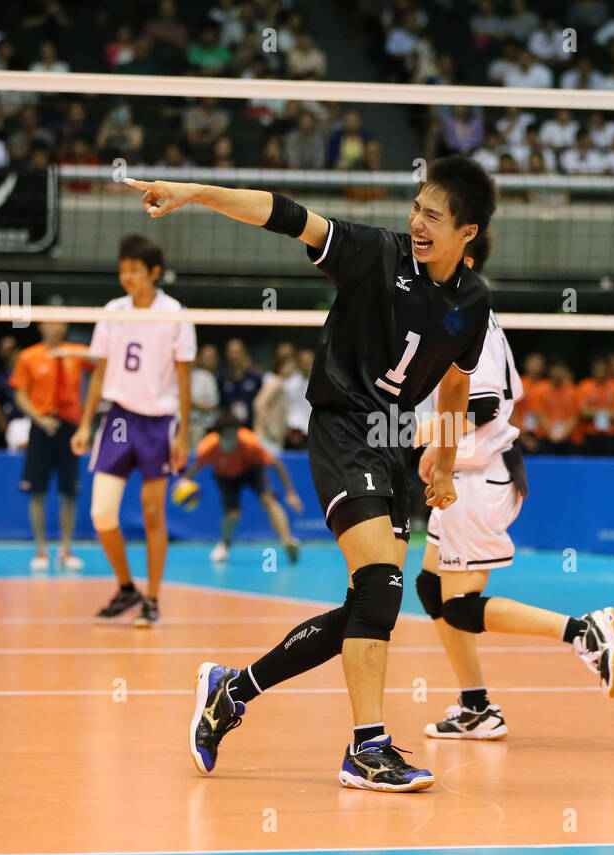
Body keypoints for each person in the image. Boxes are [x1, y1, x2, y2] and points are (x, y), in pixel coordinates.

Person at [127, 153, 495, 792]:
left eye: (433, 216)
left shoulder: (473, 302)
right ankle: (367, 749)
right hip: (341, 428)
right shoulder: (375, 254)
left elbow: (458, 382)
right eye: (416, 208)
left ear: (467, 234)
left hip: (395, 442)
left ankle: (230, 692)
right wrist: (192, 190)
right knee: (381, 583)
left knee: (367, 604)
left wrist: (444, 456)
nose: (417, 222)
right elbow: (282, 212)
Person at [415, 234, 614, 740]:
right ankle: (477, 707)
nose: (417, 248)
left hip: (473, 475)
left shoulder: (467, 314)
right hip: (462, 471)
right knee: (430, 587)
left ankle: (583, 631)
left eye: (431, 238)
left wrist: (430, 441)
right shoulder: (452, 310)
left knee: (460, 606)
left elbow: (481, 404)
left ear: (462, 256)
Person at [71, 235, 195, 628]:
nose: (126, 276)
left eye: (134, 271)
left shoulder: (175, 313)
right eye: (122, 269)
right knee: (101, 513)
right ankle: (127, 588)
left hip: (158, 423)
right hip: (119, 419)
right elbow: (100, 370)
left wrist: (183, 433)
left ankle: (153, 598)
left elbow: (184, 377)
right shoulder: (113, 311)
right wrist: (86, 423)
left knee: (152, 512)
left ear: (154, 272)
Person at [11, 321, 90, 573]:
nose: (55, 327)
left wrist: (74, 353)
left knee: (69, 492)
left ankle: (65, 550)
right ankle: (41, 550)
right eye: (50, 323)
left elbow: (104, 359)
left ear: (65, 326)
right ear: (41, 326)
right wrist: (40, 419)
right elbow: (20, 394)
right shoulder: (29, 356)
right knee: (38, 492)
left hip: (70, 429)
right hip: (41, 427)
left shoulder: (74, 352)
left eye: (59, 323)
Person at [176, 412, 303, 564]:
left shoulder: (250, 442)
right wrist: (183, 481)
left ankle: (287, 540)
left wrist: (291, 493)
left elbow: (277, 464)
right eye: (227, 434)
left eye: (234, 433)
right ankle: (224, 544)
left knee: (268, 499)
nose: (232, 438)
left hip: (252, 470)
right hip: (226, 477)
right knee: (232, 515)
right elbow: (196, 467)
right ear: (218, 435)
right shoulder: (208, 447)